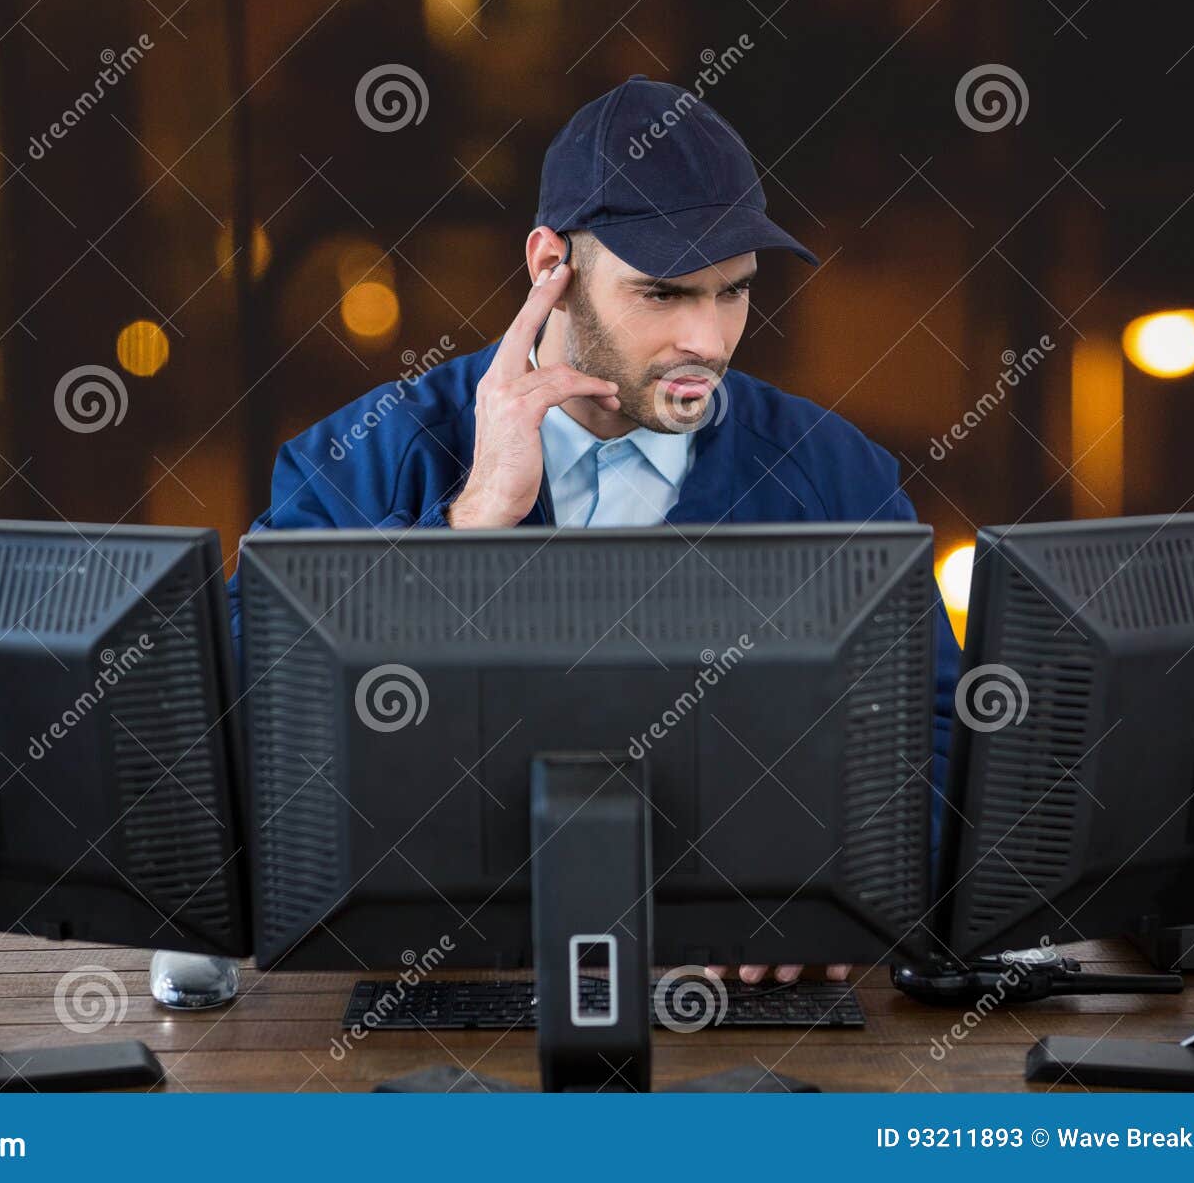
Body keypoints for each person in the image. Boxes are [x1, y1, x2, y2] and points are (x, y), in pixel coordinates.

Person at [228, 76, 962, 984]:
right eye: (663, 293)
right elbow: (243, 731)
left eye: (733, 292)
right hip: (430, 987)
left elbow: (940, 741)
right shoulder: (365, 456)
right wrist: (471, 521)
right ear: (550, 269)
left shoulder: (834, 474)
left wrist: (845, 877)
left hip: (735, 1000)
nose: (709, 337)